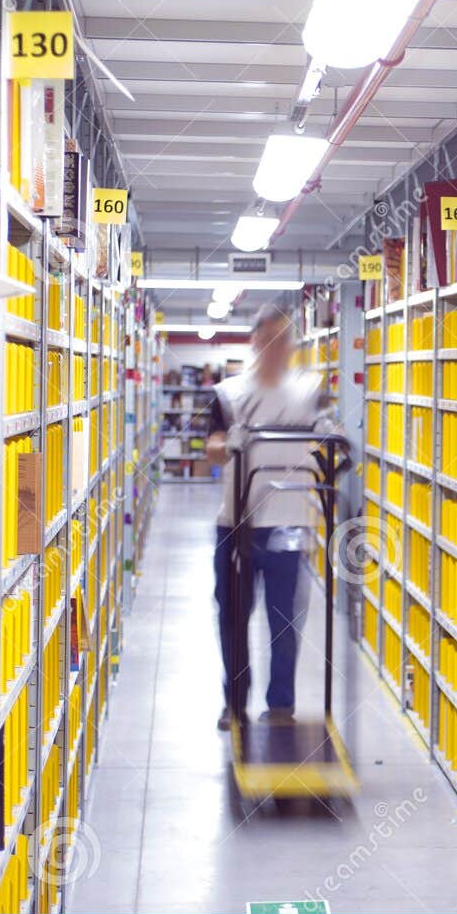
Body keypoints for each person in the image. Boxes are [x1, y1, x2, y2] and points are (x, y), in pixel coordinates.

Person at [205, 304, 327, 733]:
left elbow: (329, 433)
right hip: (236, 523)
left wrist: (337, 441)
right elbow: (212, 448)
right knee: (234, 619)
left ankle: (281, 705)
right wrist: (230, 445)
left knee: (285, 621)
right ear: (255, 340)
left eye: (285, 340)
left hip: (289, 524)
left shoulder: (310, 390)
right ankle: (234, 705)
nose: (278, 349)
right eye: (270, 339)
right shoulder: (228, 393)